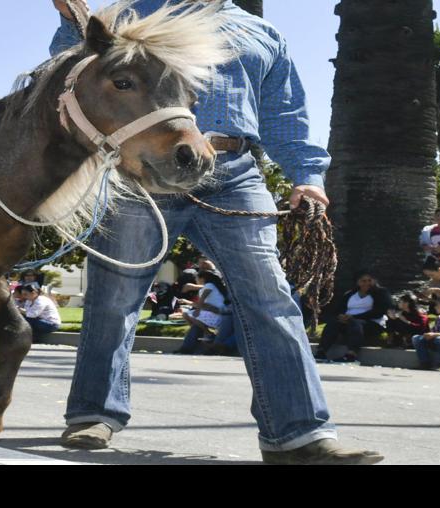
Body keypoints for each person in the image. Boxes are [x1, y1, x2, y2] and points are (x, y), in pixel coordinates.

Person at [49, 0, 381, 464]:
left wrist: (307, 175)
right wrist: (72, 23)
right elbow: (69, 69)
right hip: (142, 172)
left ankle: (299, 435)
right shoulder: (123, 15)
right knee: (113, 296)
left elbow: (285, 113)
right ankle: (93, 415)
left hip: (235, 173)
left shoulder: (261, 33)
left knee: (271, 298)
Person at [316, 273, 392, 362]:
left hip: (371, 323)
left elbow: (379, 312)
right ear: (358, 282)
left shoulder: (381, 293)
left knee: (355, 323)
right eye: (363, 281)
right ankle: (321, 351)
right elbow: (338, 309)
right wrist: (341, 316)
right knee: (333, 323)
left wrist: (354, 317)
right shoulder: (350, 294)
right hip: (349, 321)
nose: (367, 283)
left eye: (369, 280)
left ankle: (351, 355)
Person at [175, 267, 228, 355]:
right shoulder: (211, 286)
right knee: (186, 315)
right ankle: (206, 333)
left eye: (196, 278)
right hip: (212, 312)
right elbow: (203, 304)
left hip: (217, 314)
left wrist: (198, 311)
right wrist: (186, 302)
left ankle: (209, 334)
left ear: (202, 278)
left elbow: (202, 300)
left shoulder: (209, 286)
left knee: (189, 316)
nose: (195, 280)